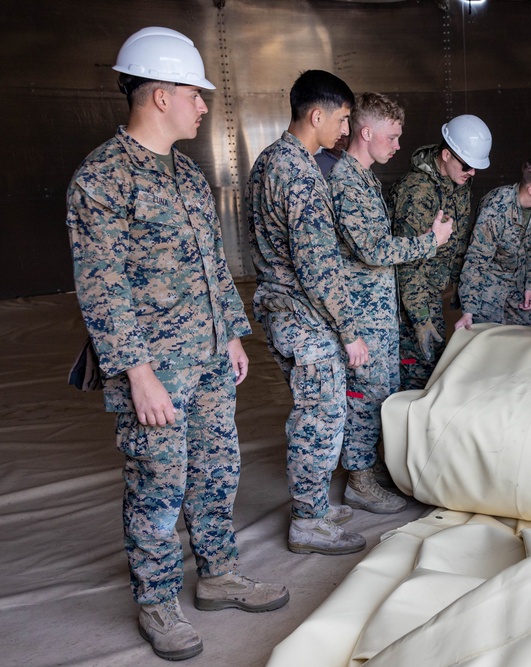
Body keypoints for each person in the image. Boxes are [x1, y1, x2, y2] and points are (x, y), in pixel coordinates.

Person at [65, 27, 288, 661]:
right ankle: (157, 601)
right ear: (160, 95)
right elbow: (102, 288)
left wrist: (234, 336)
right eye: (196, 93)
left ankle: (217, 576)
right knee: (159, 483)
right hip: (155, 370)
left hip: (211, 358)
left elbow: (214, 263)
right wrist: (137, 375)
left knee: (218, 471)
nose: (203, 104)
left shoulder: (187, 176)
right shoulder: (102, 180)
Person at [246, 70, 371, 557]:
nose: (346, 131)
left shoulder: (270, 160)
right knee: (320, 417)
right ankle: (308, 521)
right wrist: (350, 331)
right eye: (342, 120)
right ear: (316, 115)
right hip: (304, 317)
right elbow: (319, 266)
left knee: (317, 412)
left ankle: (314, 503)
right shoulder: (299, 173)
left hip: (282, 308)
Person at [330, 92, 453, 513]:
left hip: (377, 311)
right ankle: (359, 480)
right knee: (364, 394)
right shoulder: (346, 181)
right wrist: (430, 242)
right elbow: (372, 250)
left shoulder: (365, 178)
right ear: (367, 133)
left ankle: (368, 467)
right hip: (361, 313)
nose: (399, 146)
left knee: (381, 390)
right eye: (393, 137)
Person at [388, 114, 493, 390]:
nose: (473, 173)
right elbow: (406, 262)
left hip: (434, 290)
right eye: (468, 165)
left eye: (476, 168)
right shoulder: (418, 190)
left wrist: (459, 285)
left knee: (433, 363)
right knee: (417, 371)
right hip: (410, 296)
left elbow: (457, 239)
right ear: (446, 154)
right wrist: (421, 318)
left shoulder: (458, 182)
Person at [454, 156, 531, 330]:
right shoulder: (496, 208)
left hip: (518, 284)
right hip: (489, 285)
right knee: (487, 339)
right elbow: (477, 259)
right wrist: (469, 309)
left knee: (523, 340)